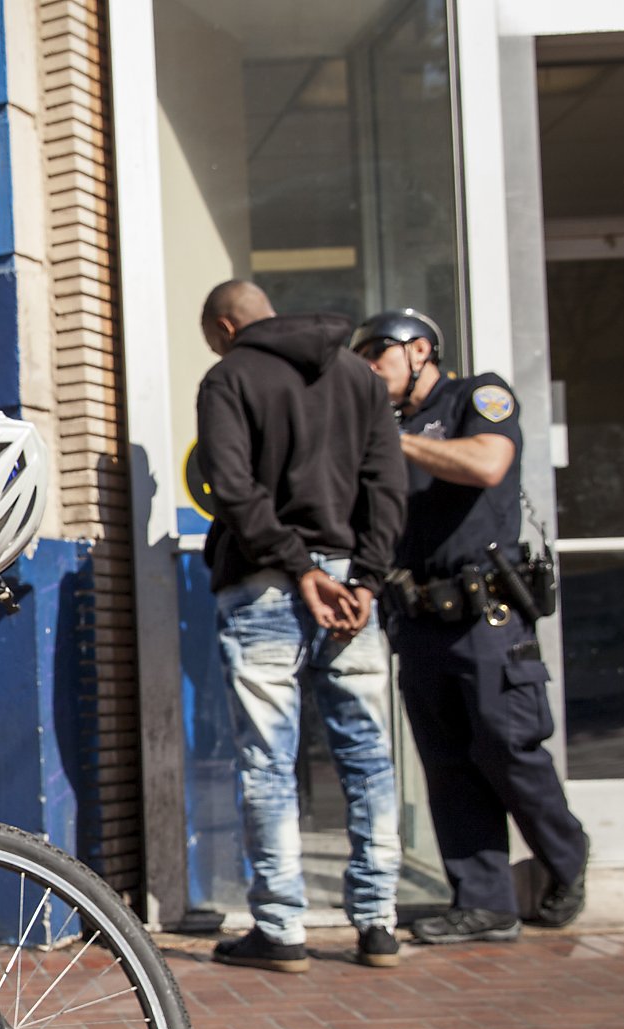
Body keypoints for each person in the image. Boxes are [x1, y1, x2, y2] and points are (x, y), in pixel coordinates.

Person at [351, 308, 588, 945]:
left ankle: (564, 858)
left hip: (486, 613)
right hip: (419, 616)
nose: (371, 369)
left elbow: (487, 464)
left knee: (506, 747)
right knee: (448, 763)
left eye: (379, 355)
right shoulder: (387, 427)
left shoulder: (476, 397)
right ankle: (483, 902)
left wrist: (391, 440)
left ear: (420, 349)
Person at [196, 281, 408, 973]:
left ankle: (282, 930)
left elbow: (231, 487)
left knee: (269, 762)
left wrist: (295, 565)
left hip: (264, 586)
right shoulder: (359, 375)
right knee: (368, 754)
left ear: (227, 326)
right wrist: (367, 578)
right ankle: (379, 924)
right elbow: (386, 486)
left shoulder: (230, 376)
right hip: (350, 589)